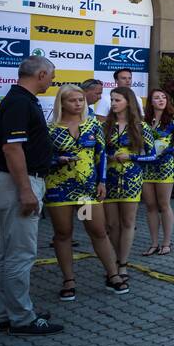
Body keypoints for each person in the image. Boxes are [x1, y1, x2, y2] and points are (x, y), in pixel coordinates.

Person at [0, 56, 62, 335]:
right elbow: (12, 149)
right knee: (20, 255)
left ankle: (7, 314)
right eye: (51, 76)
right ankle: (22, 318)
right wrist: (25, 190)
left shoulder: (20, 99)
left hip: (15, 183)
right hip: (17, 185)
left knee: (8, 255)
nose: (53, 81)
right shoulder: (20, 101)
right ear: (41, 74)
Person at [45, 84, 125, 299]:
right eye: (72, 100)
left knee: (97, 231)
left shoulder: (92, 125)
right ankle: (69, 280)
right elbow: (41, 159)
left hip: (86, 192)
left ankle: (112, 275)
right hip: (58, 189)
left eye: (80, 100)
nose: (78, 104)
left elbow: (101, 155)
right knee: (63, 234)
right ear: (62, 103)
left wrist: (102, 182)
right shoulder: (50, 129)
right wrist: (57, 160)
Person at [102, 87, 156, 284]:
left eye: (117, 100)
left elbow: (151, 156)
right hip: (109, 179)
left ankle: (122, 263)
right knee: (111, 224)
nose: (113, 103)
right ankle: (114, 261)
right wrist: (107, 157)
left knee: (128, 223)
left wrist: (130, 156)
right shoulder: (106, 126)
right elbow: (97, 153)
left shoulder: (141, 127)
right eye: (112, 100)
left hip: (132, 179)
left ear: (128, 102)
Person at [140, 88, 174, 254]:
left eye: (163, 97)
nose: (160, 100)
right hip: (146, 167)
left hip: (165, 166)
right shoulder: (144, 122)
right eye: (156, 98)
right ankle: (154, 243)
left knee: (164, 205)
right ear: (151, 102)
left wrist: (168, 151)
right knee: (150, 206)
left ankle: (166, 243)